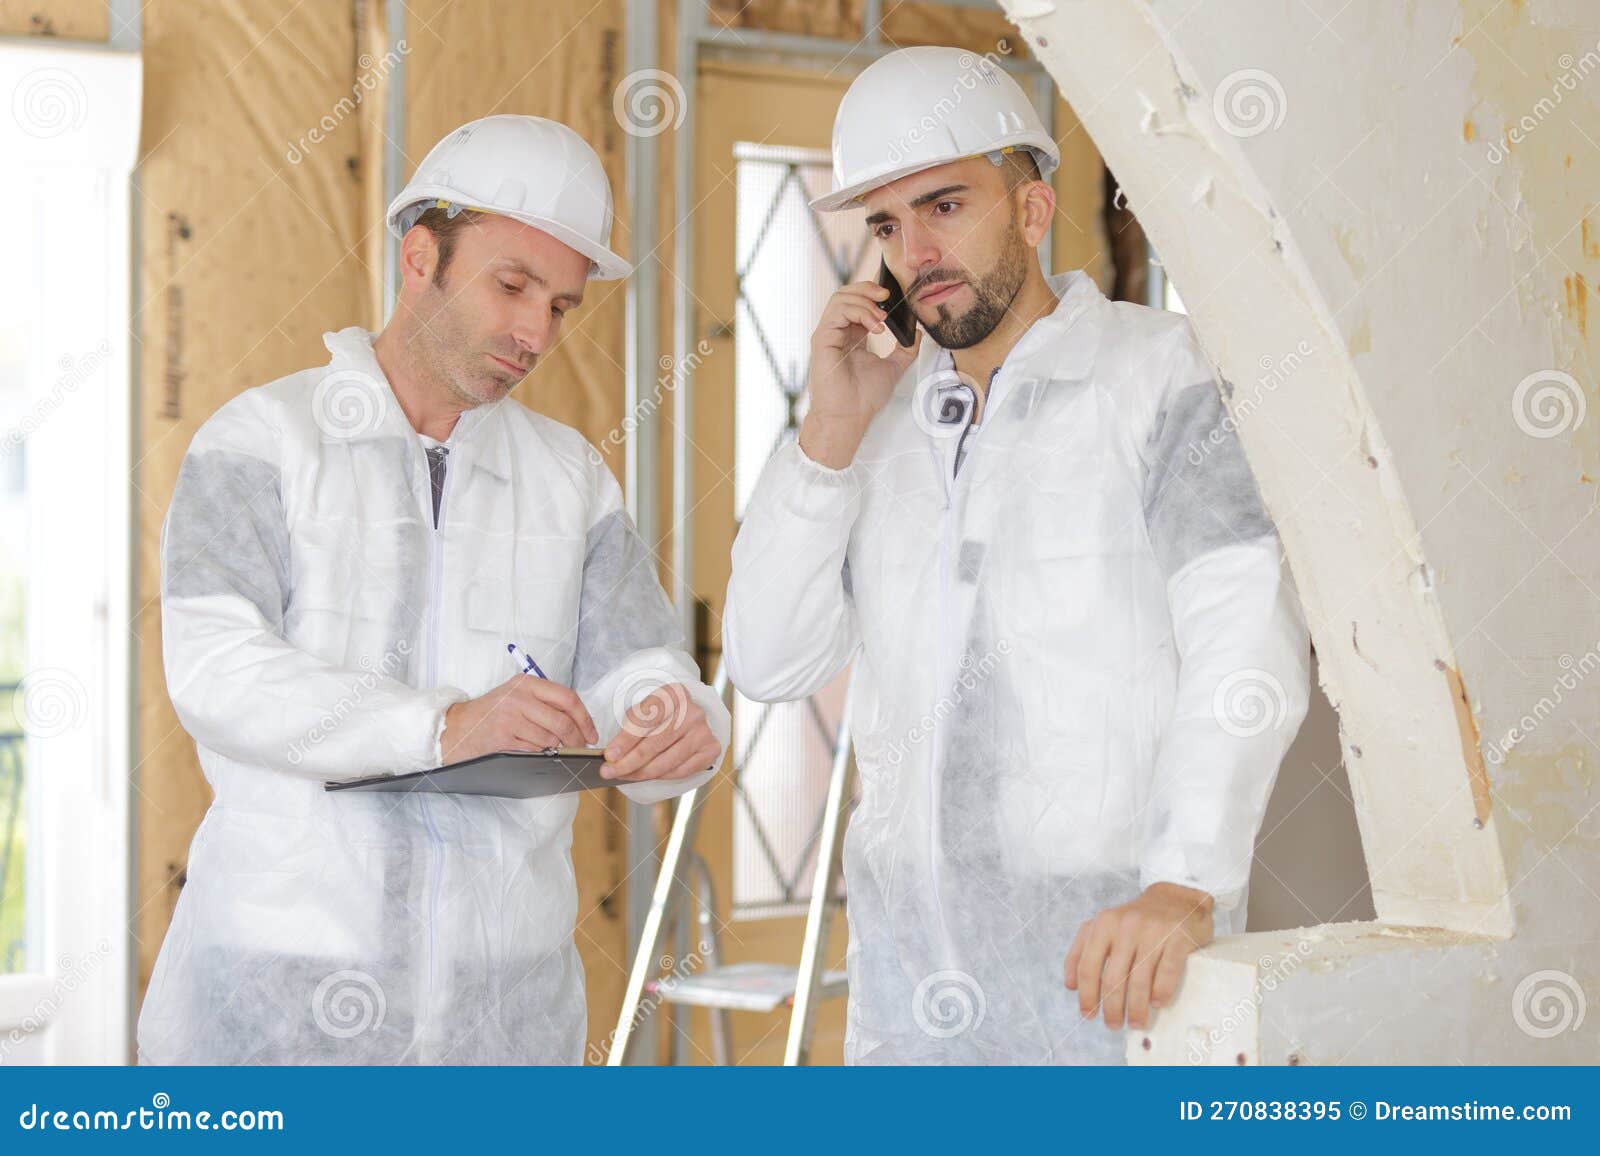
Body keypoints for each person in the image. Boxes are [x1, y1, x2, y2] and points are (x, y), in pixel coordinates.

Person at [722, 46, 1311, 1064]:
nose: (916, 249)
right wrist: (826, 437)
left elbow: (1243, 632)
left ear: (1032, 210)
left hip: (1116, 973)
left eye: (945, 204)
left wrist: (1187, 879)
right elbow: (769, 660)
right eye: (886, 224)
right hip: (908, 1004)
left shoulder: (1156, 377)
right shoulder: (880, 418)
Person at [139, 114, 729, 1064]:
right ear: (421, 256)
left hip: (503, 1012)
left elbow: (640, 666)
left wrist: (674, 718)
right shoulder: (262, 441)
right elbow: (215, 668)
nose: (538, 330)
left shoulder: (570, 479)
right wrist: (443, 726)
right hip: (284, 994)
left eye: (562, 306)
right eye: (512, 286)